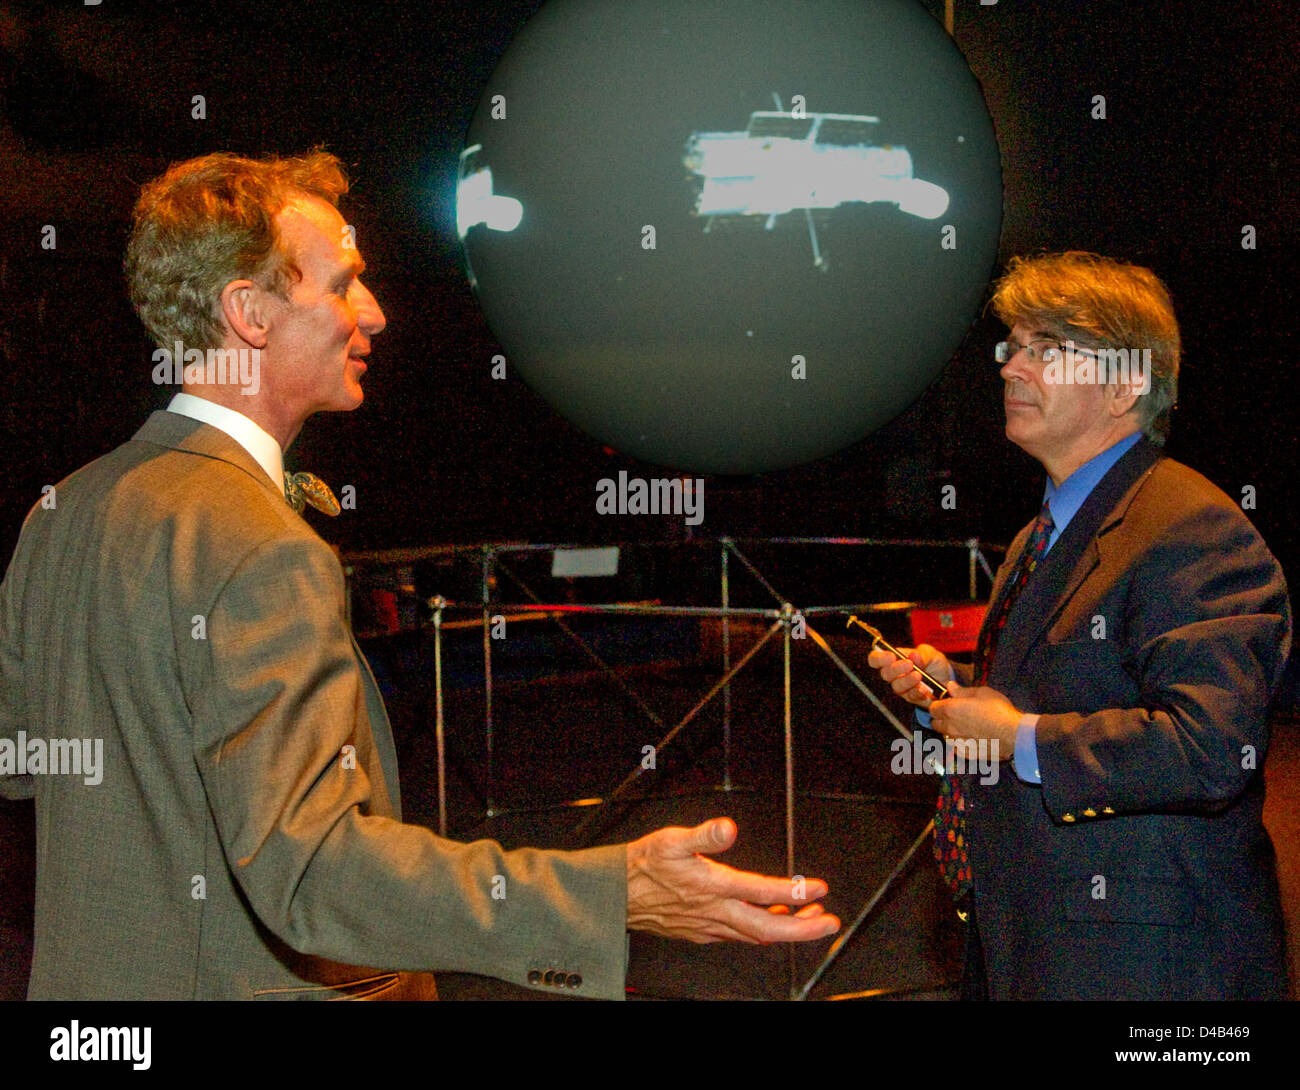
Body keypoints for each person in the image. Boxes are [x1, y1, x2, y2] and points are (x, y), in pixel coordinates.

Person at [0, 150, 838, 1001]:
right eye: (341, 285)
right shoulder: (260, 546)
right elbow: (313, 873)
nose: (377, 313)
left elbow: (23, 762)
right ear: (248, 314)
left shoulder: (62, 511)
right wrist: (611, 891)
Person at [870, 251, 1290, 1000]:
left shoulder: (1191, 528)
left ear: (1130, 383)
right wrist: (954, 693)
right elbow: (1059, 692)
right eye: (1013, 348)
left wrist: (1016, 737)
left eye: (1048, 351)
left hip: (1142, 966)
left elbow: (1213, 748)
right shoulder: (1044, 535)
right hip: (1037, 936)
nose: (1011, 369)